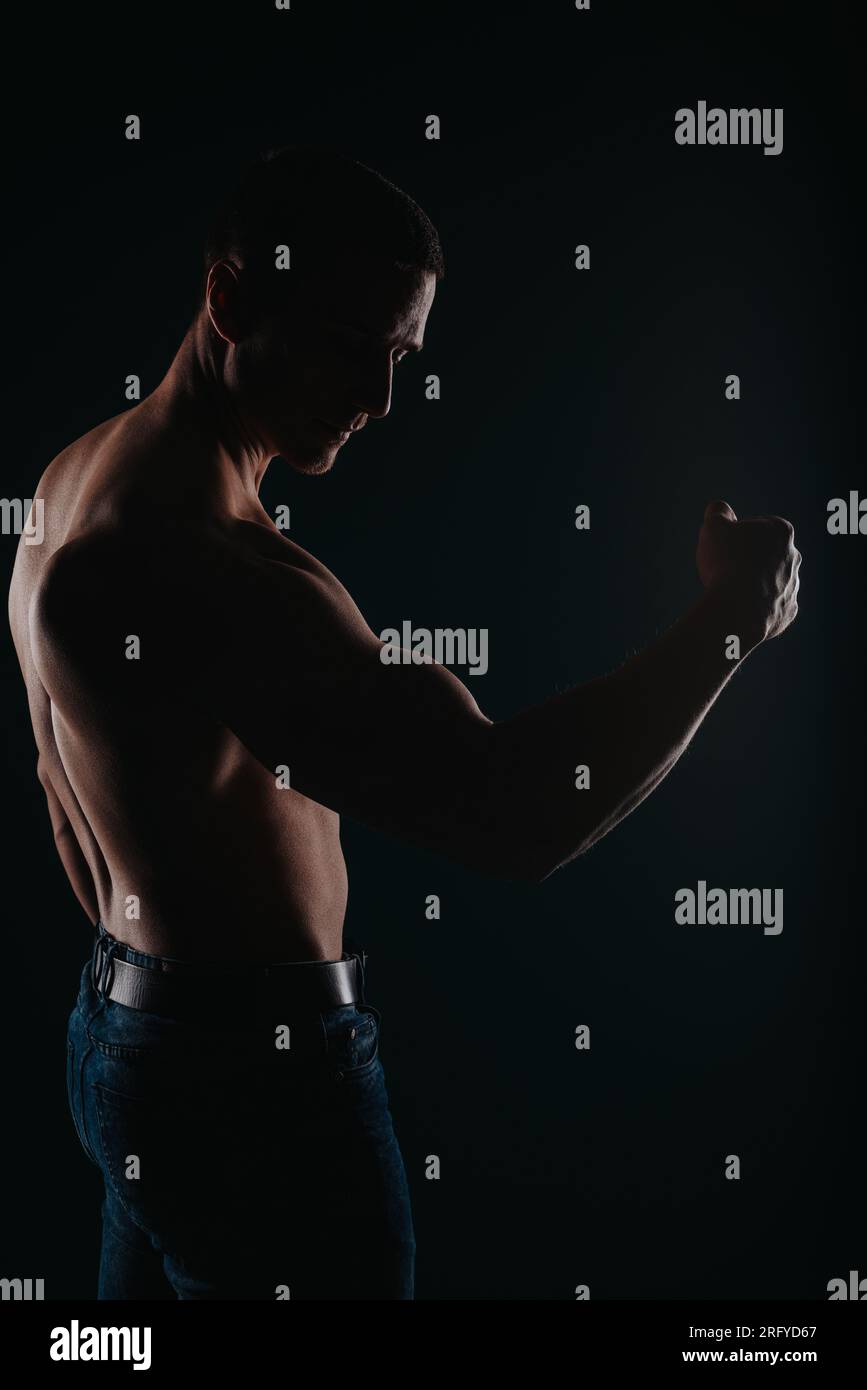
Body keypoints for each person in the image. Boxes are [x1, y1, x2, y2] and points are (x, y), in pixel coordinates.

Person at [7, 145, 800, 1300]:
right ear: (230, 297)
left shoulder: (70, 479)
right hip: (254, 1090)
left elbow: (72, 792)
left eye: (401, 357)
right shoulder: (207, 565)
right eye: (350, 344)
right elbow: (512, 813)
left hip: (129, 1033)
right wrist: (731, 621)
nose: (380, 398)